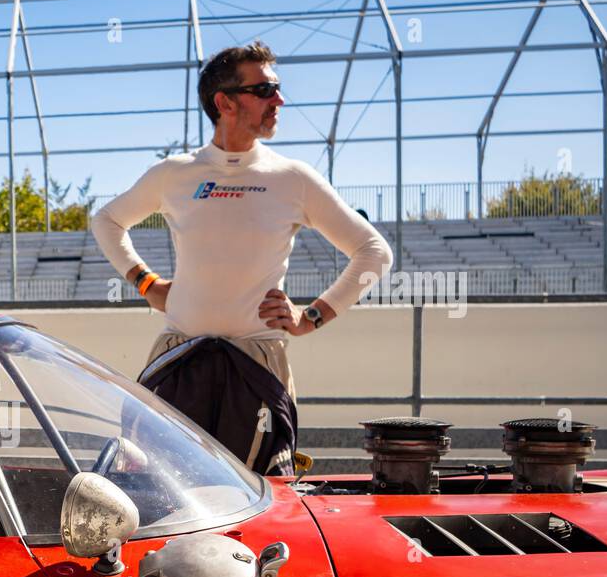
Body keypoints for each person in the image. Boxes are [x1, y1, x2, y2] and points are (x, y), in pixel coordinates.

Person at [90, 40, 393, 474]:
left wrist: (313, 317)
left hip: (258, 365)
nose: (280, 100)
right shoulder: (175, 174)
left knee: (258, 498)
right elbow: (106, 220)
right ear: (225, 102)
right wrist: (144, 282)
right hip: (180, 359)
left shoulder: (293, 178)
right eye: (265, 90)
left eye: (277, 88)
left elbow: (375, 252)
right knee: (163, 494)